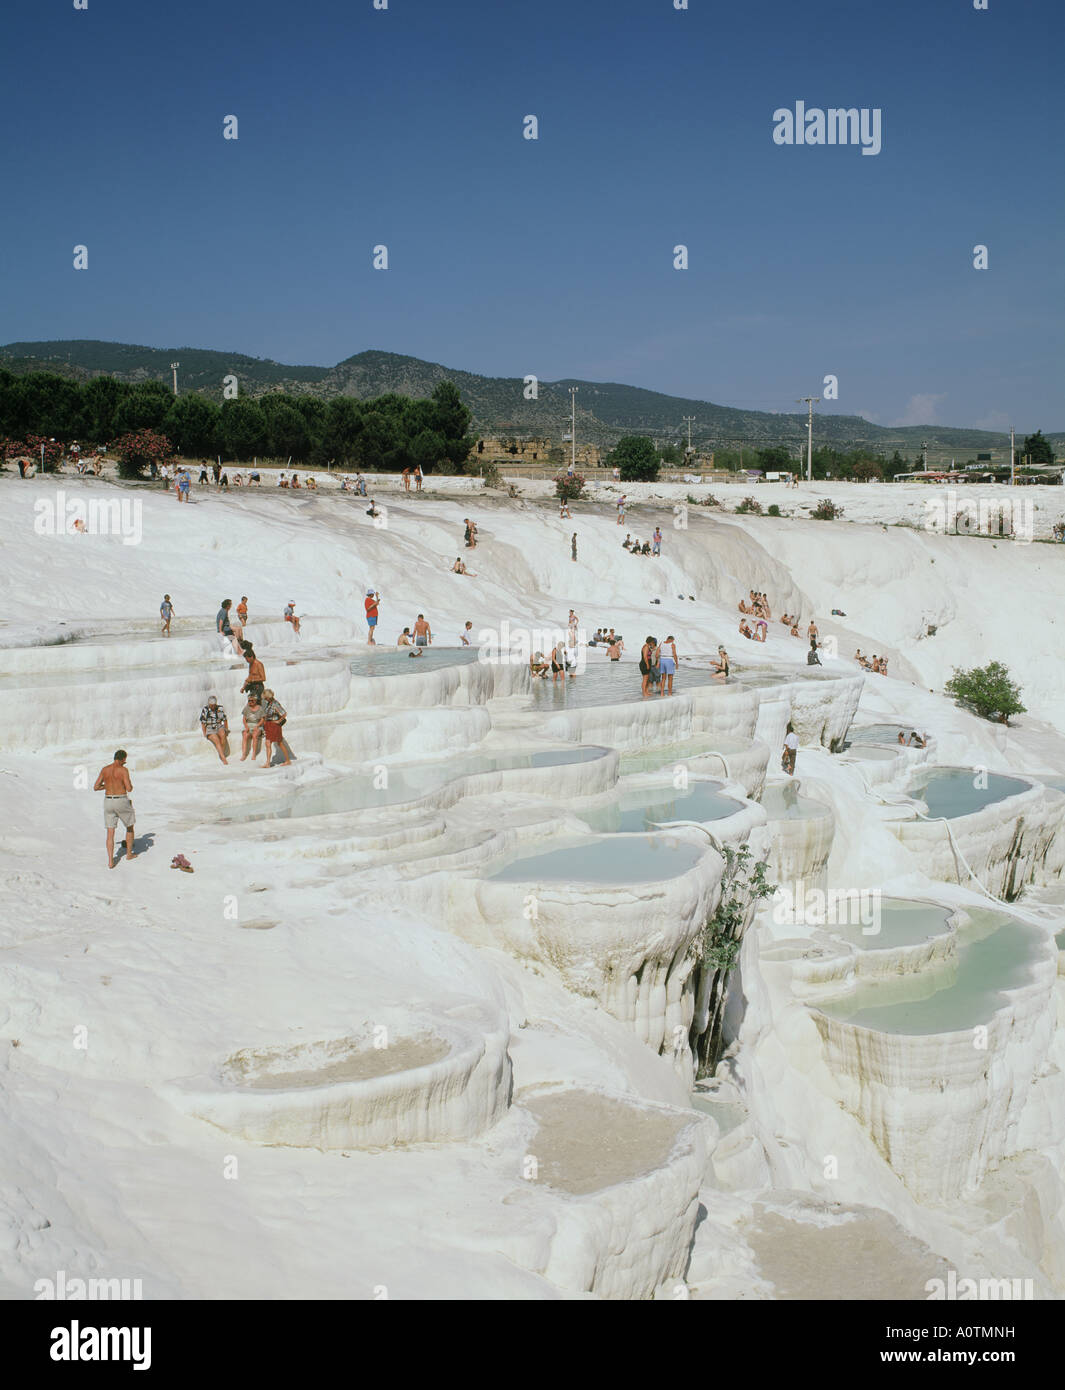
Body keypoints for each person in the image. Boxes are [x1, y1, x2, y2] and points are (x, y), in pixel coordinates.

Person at [94, 749, 136, 869]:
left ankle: (110, 861)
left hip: (108, 800)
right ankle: (129, 854)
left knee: (110, 832)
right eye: (125, 760)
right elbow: (129, 788)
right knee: (129, 826)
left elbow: (96, 787)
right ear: (123, 759)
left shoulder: (105, 769)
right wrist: (125, 784)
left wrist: (106, 785)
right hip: (121, 800)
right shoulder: (123, 770)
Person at [260, 689, 292, 767]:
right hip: (269, 725)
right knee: (268, 743)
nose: (264, 699)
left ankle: (288, 760)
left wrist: (278, 721)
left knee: (279, 743)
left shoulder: (275, 704)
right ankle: (268, 763)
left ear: (268, 697)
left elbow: (284, 713)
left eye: (265, 698)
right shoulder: (269, 703)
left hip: (274, 726)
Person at [200, 696, 229, 764]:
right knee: (216, 740)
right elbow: (203, 722)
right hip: (210, 727)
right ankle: (223, 758)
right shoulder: (205, 709)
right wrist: (204, 733)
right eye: (211, 705)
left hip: (219, 725)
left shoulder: (220, 708)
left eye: (213, 705)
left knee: (223, 735)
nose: (212, 706)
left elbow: (225, 720)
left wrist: (226, 729)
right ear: (209, 704)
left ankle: (221, 754)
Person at [241, 694, 265, 761]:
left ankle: (254, 754)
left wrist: (257, 726)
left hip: (257, 724)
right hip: (248, 724)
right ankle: (244, 754)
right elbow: (244, 719)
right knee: (245, 735)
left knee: (255, 735)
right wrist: (246, 727)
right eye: (249, 701)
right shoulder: (246, 708)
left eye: (252, 701)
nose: (250, 702)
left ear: (255, 701)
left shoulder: (260, 708)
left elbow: (262, 719)